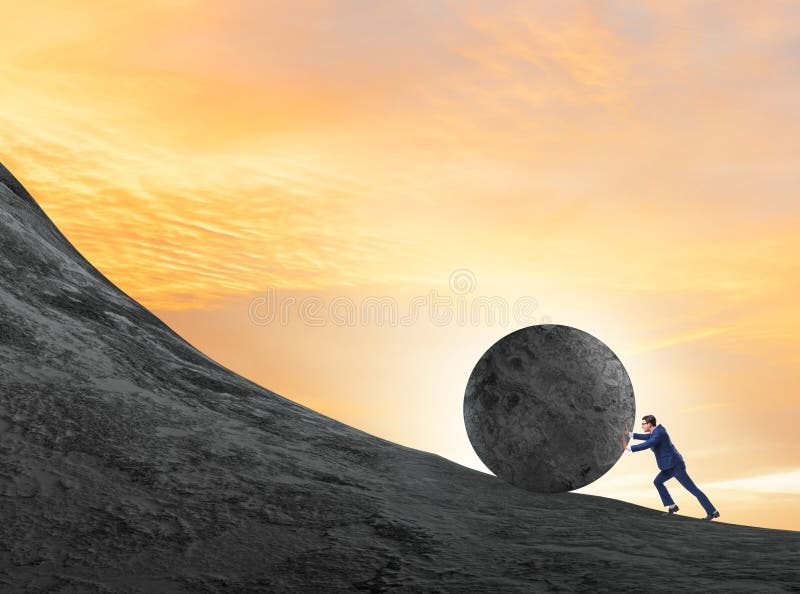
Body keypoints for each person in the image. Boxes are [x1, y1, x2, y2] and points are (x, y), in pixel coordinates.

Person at [624, 414, 720, 521]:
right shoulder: (655, 432)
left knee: (693, 490)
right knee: (658, 482)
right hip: (668, 466)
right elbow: (647, 437)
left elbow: (649, 443)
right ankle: (672, 506)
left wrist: (629, 448)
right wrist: (630, 435)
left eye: (643, 424)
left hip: (675, 466)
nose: (641, 426)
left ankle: (712, 512)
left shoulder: (659, 433)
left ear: (649, 424)